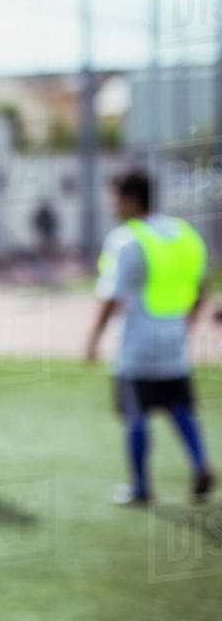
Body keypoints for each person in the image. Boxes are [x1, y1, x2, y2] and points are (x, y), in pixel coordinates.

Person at [85, 170, 214, 506]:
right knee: (179, 405)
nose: (111, 203)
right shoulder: (183, 233)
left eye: (114, 195)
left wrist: (93, 340)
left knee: (135, 412)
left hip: (137, 339)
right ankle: (200, 463)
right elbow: (202, 287)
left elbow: (111, 296)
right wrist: (187, 323)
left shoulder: (126, 239)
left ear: (129, 198)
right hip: (174, 335)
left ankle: (141, 486)